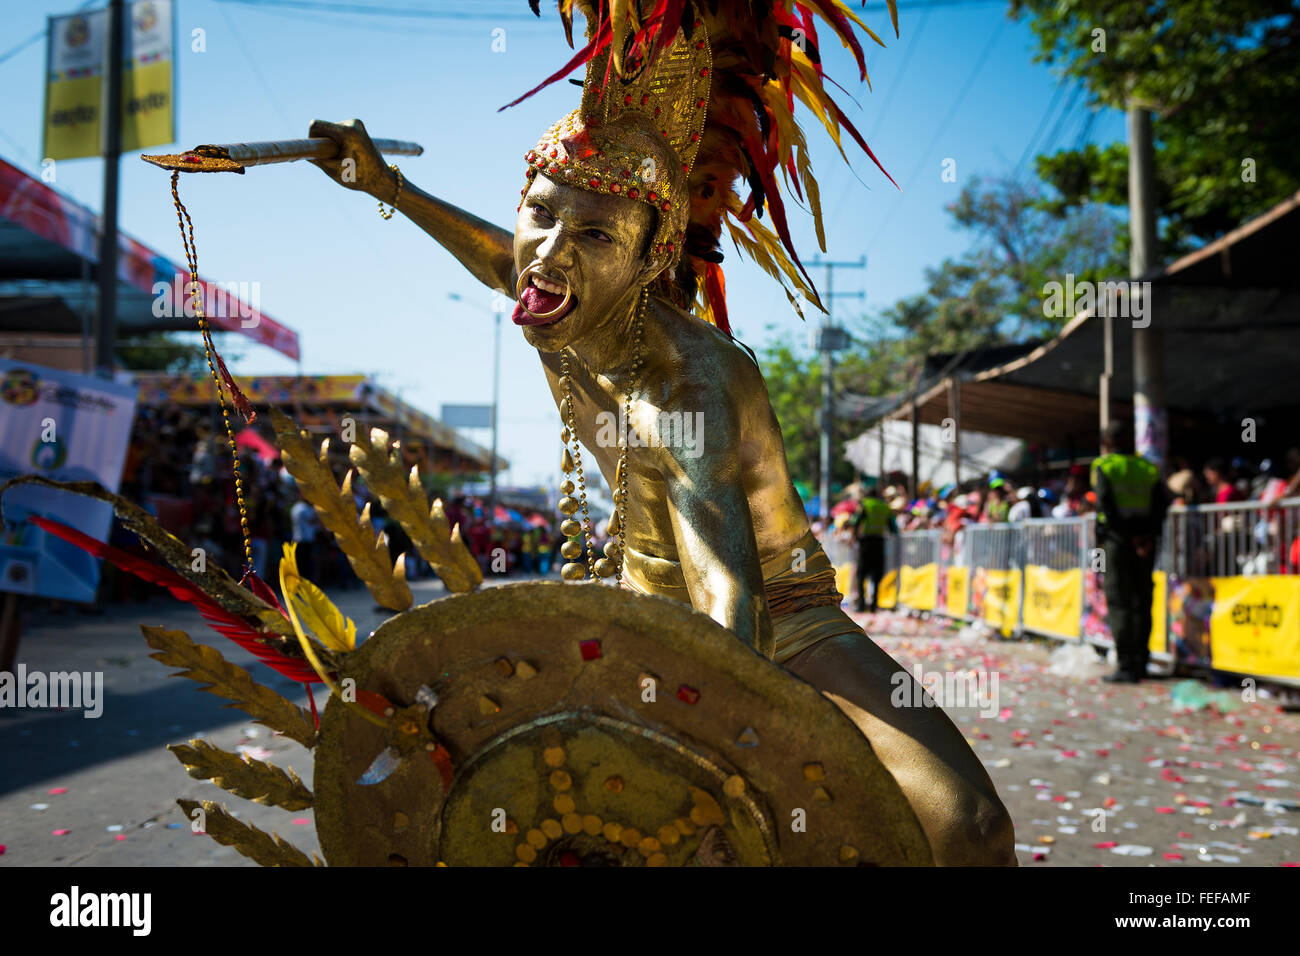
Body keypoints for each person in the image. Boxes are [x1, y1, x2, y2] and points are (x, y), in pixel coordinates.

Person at [307, 9, 1013, 864]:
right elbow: (504, 260)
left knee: (968, 828)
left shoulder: (690, 388)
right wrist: (388, 187)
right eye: (540, 214)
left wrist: (717, 754)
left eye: (595, 234)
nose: (549, 257)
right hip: (641, 615)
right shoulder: (555, 296)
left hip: (780, 622)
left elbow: (731, 607)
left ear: (649, 263)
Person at [1091, 421, 1168, 683]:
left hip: (1119, 545)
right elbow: (1161, 506)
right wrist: (1145, 539)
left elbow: (1106, 508)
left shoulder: (1105, 467)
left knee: (1120, 602)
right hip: (1145, 546)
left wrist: (1129, 539)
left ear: (1106, 443)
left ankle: (1126, 665)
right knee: (1142, 602)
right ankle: (1141, 663)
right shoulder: (1148, 468)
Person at [852, 484, 896, 613]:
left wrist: (856, 537)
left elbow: (856, 521)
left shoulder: (865, 504)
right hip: (879, 542)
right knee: (876, 575)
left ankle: (861, 605)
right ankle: (874, 606)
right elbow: (893, 528)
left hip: (866, 542)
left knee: (861, 575)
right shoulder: (885, 507)